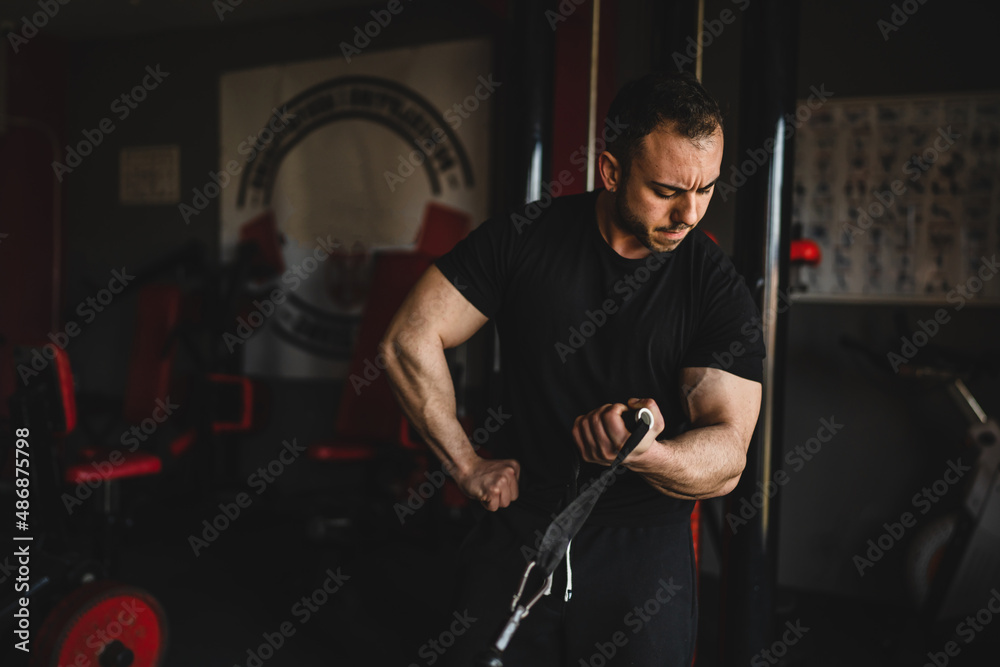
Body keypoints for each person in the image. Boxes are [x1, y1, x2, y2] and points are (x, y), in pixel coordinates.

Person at [382, 72, 764, 667]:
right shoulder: (523, 240)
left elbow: (728, 453)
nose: (689, 214)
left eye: (707, 190)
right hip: (517, 525)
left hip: (642, 551)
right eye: (666, 190)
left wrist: (647, 453)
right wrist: (465, 464)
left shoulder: (713, 286)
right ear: (612, 172)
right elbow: (409, 338)